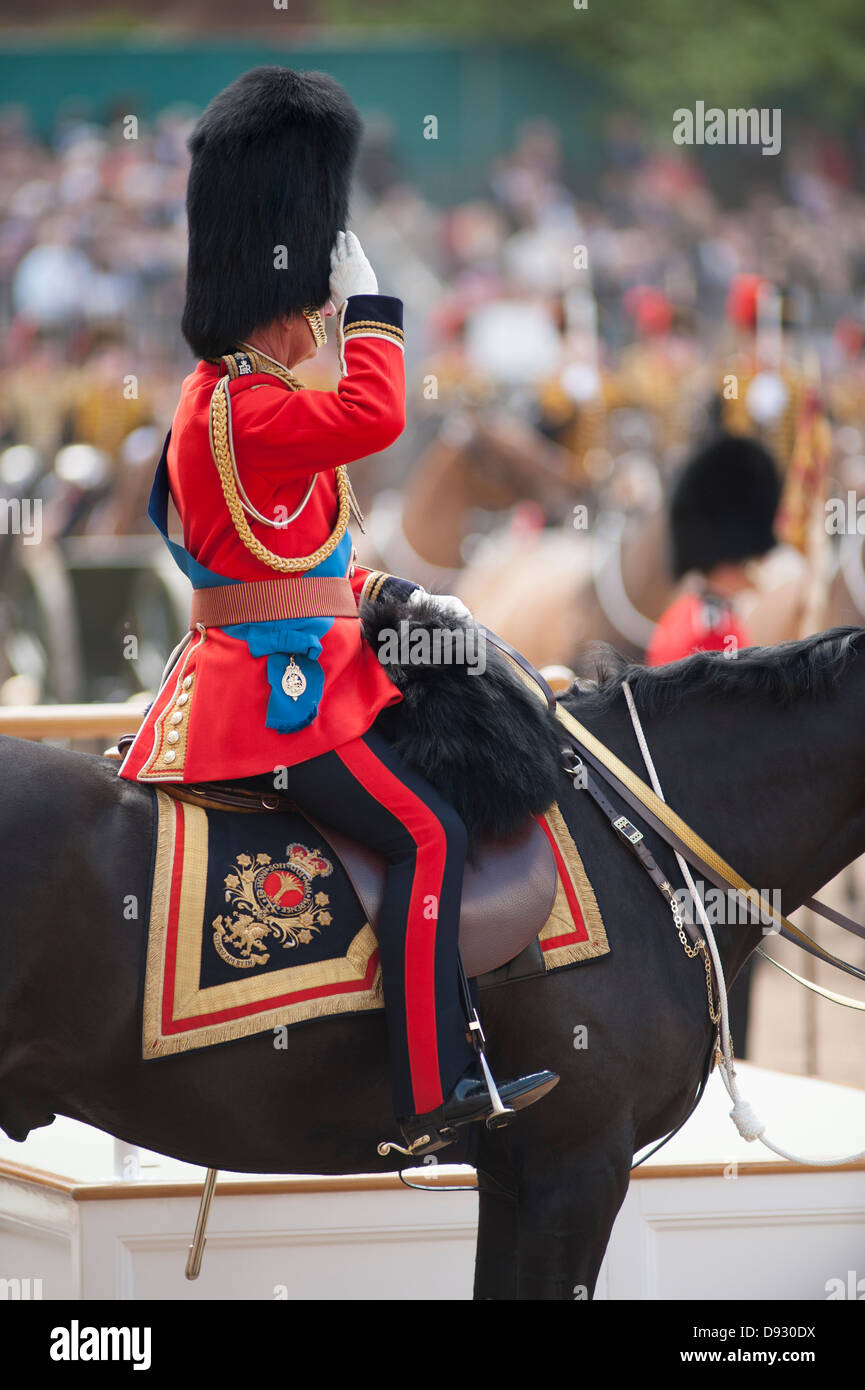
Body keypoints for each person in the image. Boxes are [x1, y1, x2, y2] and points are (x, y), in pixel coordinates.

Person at [118, 66, 557, 1158]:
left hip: (306, 662)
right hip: (275, 697)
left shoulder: (236, 399)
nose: (323, 317)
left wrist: (401, 599)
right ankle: (431, 1085)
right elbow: (377, 410)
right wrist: (372, 306)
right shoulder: (247, 404)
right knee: (425, 834)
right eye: (313, 301)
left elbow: (308, 553)